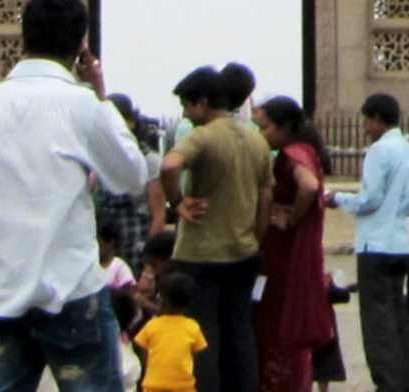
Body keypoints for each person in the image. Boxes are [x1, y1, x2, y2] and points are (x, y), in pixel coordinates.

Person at [0, 0, 149, 392]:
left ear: (23, 37)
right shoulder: (81, 106)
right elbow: (131, 176)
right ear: (80, 48)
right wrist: (100, 95)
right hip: (72, 292)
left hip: (2, 294)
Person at [159, 73, 267, 392]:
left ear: (203, 103)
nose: (185, 115)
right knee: (240, 333)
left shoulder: (202, 136)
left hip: (201, 253)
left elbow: (169, 166)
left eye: (187, 106)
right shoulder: (256, 140)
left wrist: (177, 201)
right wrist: (256, 239)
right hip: (243, 250)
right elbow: (267, 197)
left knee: (204, 336)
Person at [340, 98, 409, 392]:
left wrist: (338, 199)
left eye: (366, 121)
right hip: (400, 241)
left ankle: (388, 383)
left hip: (374, 244)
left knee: (377, 322)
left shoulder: (380, 150)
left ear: (377, 119)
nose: (364, 128)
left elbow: (370, 197)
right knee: (399, 317)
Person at [249, 99, 333, 392]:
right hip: (284, 249)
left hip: (283, 252)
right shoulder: (306, 151)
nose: (260, 133)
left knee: (277, 324)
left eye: (264, 127)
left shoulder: (293, 154)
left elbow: (308, 186)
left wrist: (292, 217)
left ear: (283, 127)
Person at [137, 276, 208, 392]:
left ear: (164, 300)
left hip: (154, 386)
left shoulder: (152, 325)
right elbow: (197, 352)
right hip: (184, 387)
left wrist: (151, 368)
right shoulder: (192, 326)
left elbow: (143, 350)